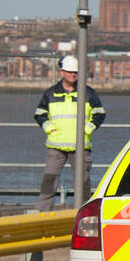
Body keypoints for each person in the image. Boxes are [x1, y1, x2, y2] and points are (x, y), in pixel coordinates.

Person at [34, 56, 106, 211]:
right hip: (56, 146)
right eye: (70, 72)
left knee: (83, 182)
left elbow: (100, 114)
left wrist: (86, 130)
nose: (73, 75)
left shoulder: (88, 93)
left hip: (81, 146)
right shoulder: (50, 93)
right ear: (62, 72)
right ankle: (43, 213)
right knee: (49, 180)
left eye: (76, 72)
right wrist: (50, 129)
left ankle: (84, 212)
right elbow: (39, 114)